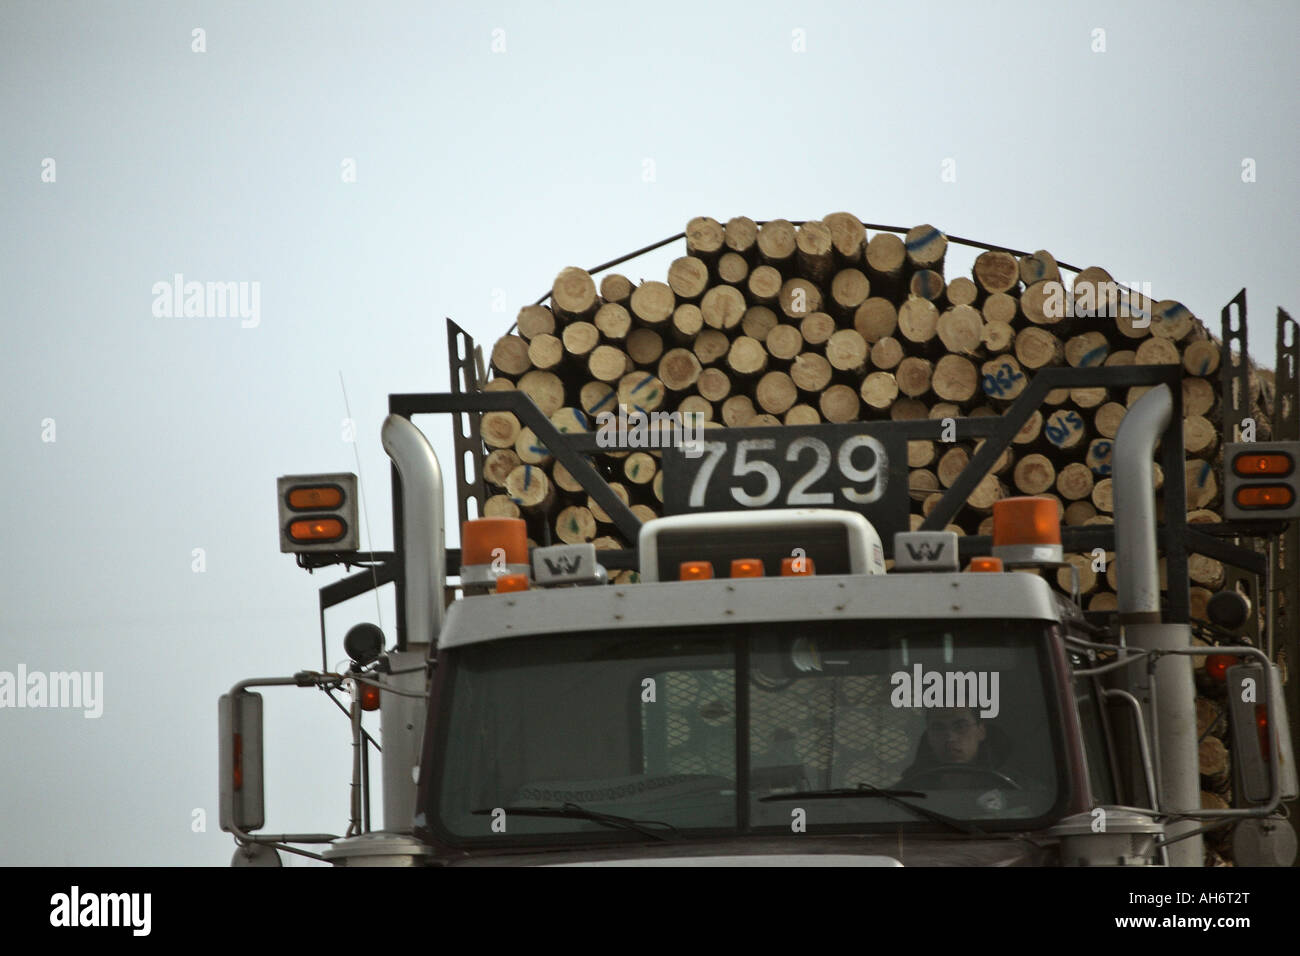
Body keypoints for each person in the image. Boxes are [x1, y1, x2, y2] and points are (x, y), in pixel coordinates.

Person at [895, 707, 1012, 789]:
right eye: (938, 728)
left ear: (981, 732)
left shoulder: (1011, 785)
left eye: (961, 726)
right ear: (929, 736)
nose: (950, 738)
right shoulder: (907, 789)